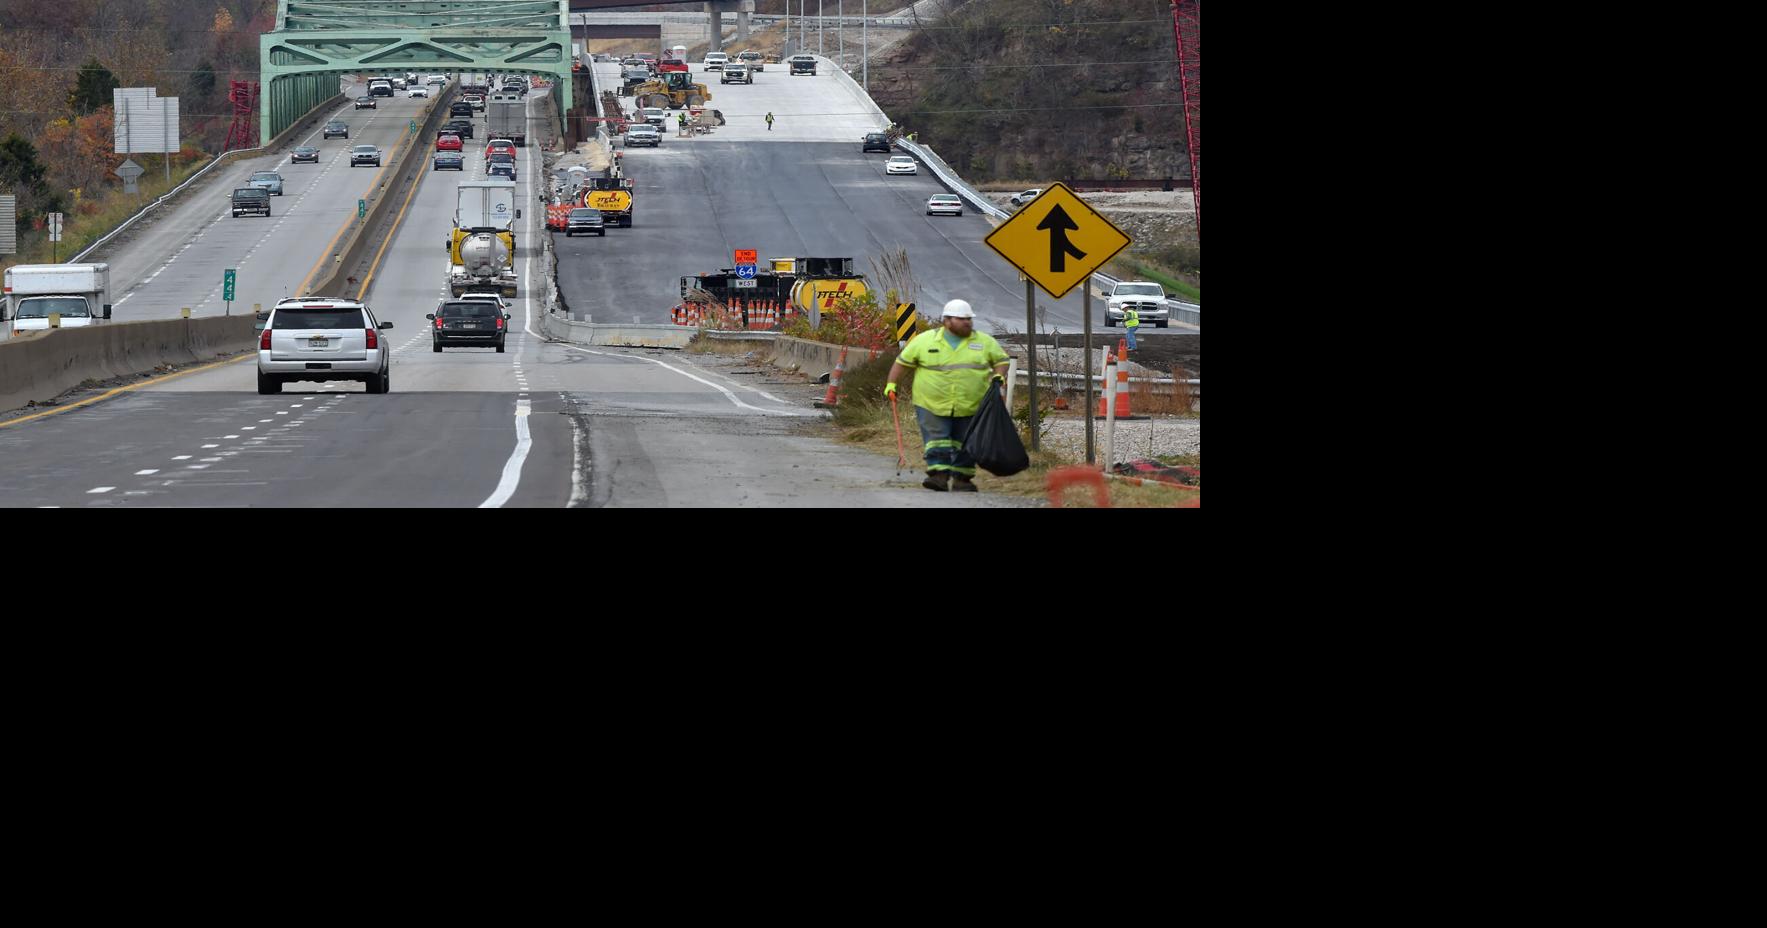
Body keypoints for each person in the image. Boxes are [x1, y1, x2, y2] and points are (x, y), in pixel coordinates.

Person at [884, 300, 1012, 493]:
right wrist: (891, 384)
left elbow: (1002, 360)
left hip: (971, 404)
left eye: (969, 319)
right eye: (961, 319)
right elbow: (902, 362)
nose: (967, 323)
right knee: (938, 439)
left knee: (967, 442)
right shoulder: (925, 341)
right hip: (930, 403)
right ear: (947, 320)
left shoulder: (984, 342)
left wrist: (999, 375)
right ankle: (939, 476)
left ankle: (962, 479)